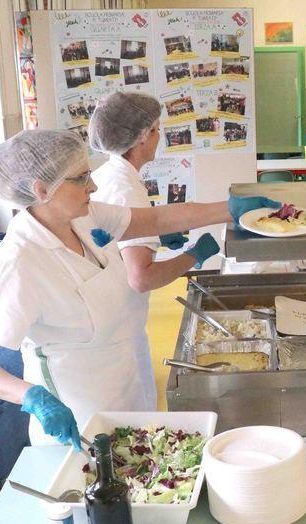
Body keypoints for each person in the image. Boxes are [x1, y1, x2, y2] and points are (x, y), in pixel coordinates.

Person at [0, 129, 274, 448]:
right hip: (78, 417)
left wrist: (230, 208)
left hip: (126, 384)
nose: (93, 186)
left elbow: (159, 218)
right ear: (41, 190)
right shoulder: (18, 262)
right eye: (81, 178)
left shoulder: (83, 218)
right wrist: (32, 396)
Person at [87, 91, 220, 411]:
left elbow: (118, 236)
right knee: (137, 416)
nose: (160, 137)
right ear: (143, 137)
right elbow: (141, 277)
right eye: (158, 129)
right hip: (117, 329)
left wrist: (156, 235)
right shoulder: (125, 186)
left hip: (110, 321)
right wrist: (195, 256)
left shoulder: (110, 173)